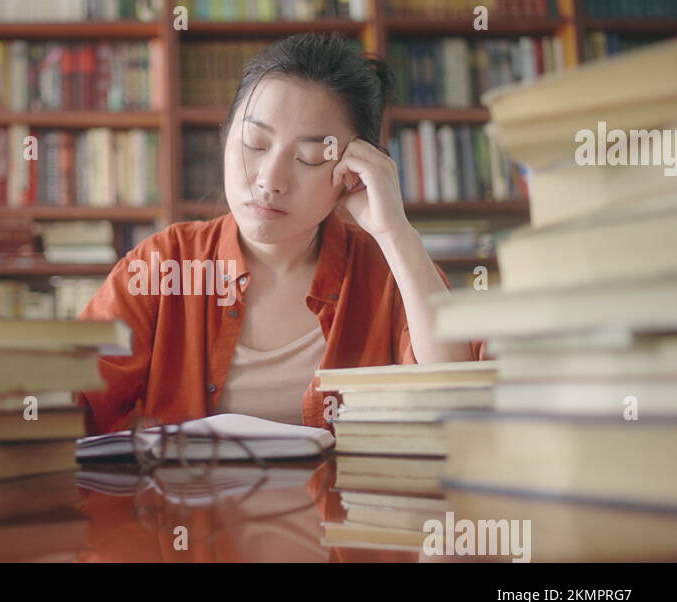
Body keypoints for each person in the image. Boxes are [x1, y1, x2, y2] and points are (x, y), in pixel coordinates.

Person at [79, 32, 486, 435]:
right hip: (185, 501)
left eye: (309, 157)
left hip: (345, 501)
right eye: (254, 144)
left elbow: (454, 404)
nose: (270, 180)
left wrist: (395, 232)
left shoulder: (390, 273)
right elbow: (72, 404)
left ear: (354, 169)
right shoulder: (163, 266)